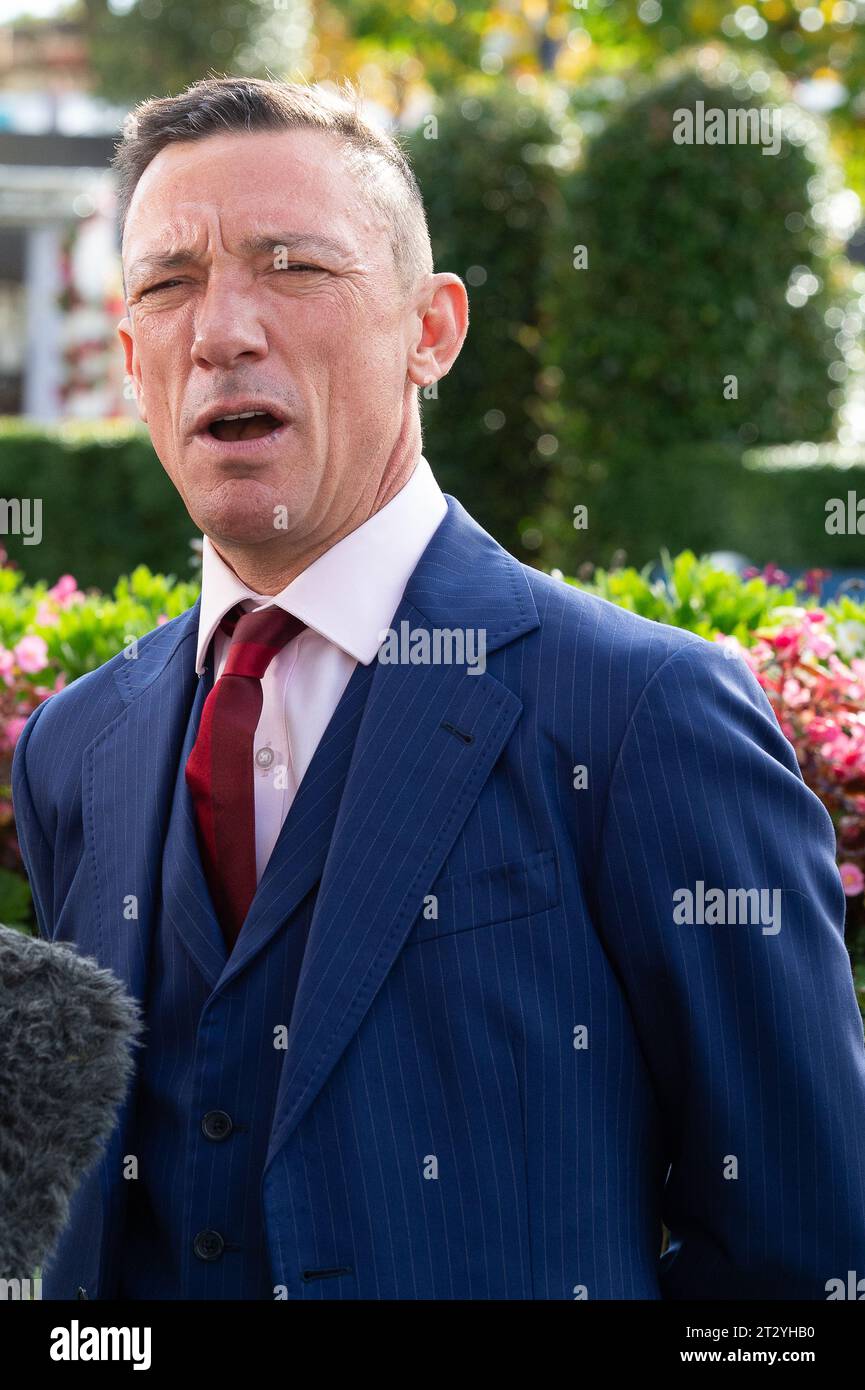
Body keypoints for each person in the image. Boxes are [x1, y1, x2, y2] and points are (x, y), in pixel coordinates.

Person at [12, 76, 865, 1302]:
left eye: (291, 265)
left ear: (433, 330)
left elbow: (803, 1256)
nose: (223, 329)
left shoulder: (642, 716)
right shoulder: (74, 746)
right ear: (132, 351)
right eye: (168, 283)